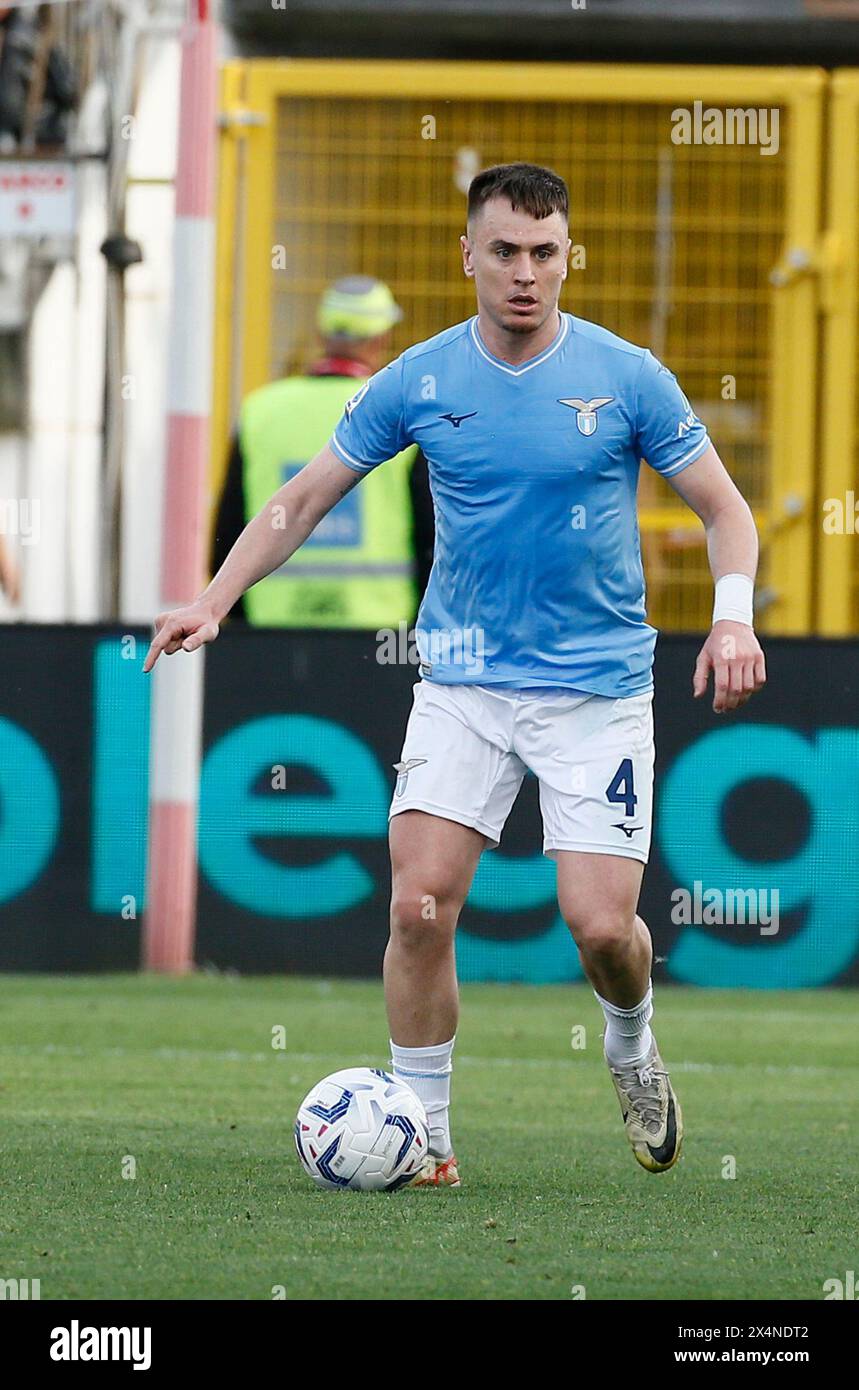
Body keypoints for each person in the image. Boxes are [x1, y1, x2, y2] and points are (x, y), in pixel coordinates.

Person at [145, 162, 766, 1188]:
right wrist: (213, 598)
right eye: (506, 252)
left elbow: (725, 510)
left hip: (596, 691)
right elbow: (299, 501)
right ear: (467, 256)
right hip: (465, 684)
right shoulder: (421, 380)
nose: (526, 274)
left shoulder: (625, 376)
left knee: (602, 926)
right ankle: (425, 1139)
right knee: (417, 907)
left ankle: (629, 1045)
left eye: (545, 253)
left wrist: (731, 620)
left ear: (570, 257)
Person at [212, 276, 434, 626]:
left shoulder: (260, 411)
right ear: (381, 338)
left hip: (271, 626)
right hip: (377, 630)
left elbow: (229, 524)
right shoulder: (399, 411)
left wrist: (233, 618)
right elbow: (430, 532)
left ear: (321, 335)